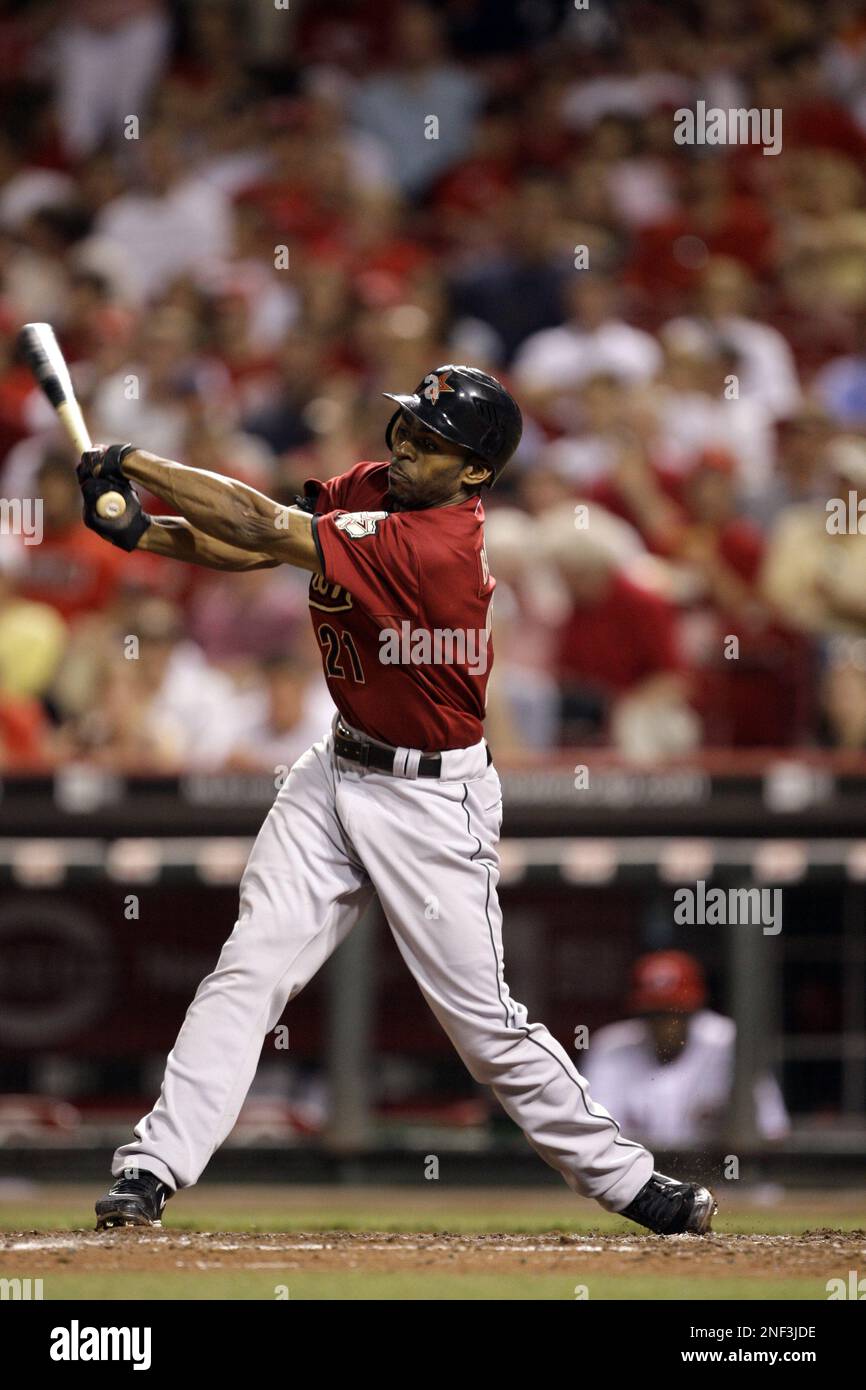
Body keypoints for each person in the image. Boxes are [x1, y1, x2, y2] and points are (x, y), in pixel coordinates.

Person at [79, 364, 716, 1237]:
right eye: (410, 426)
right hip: (334, 768)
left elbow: (259, 521)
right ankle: (151, 1170)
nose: (409, 446)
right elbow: (263, 544)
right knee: (250, 966)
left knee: (484, 1027)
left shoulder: (438, 546)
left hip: (431, 800)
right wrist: (148, 533)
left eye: (434, 441)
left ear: (476, 471)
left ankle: (633, 1184)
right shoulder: (379, 488)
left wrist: (135, 461)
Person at [582, 952, 790, 1147]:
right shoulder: (612, 1047)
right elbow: (594, 1138)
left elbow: (773, 1130)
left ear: (694, 1010)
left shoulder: (727, 1043)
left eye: (675, 1012)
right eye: (656, 1014)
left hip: (718, 1170)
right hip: (638, 1169)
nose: (666, 1025)